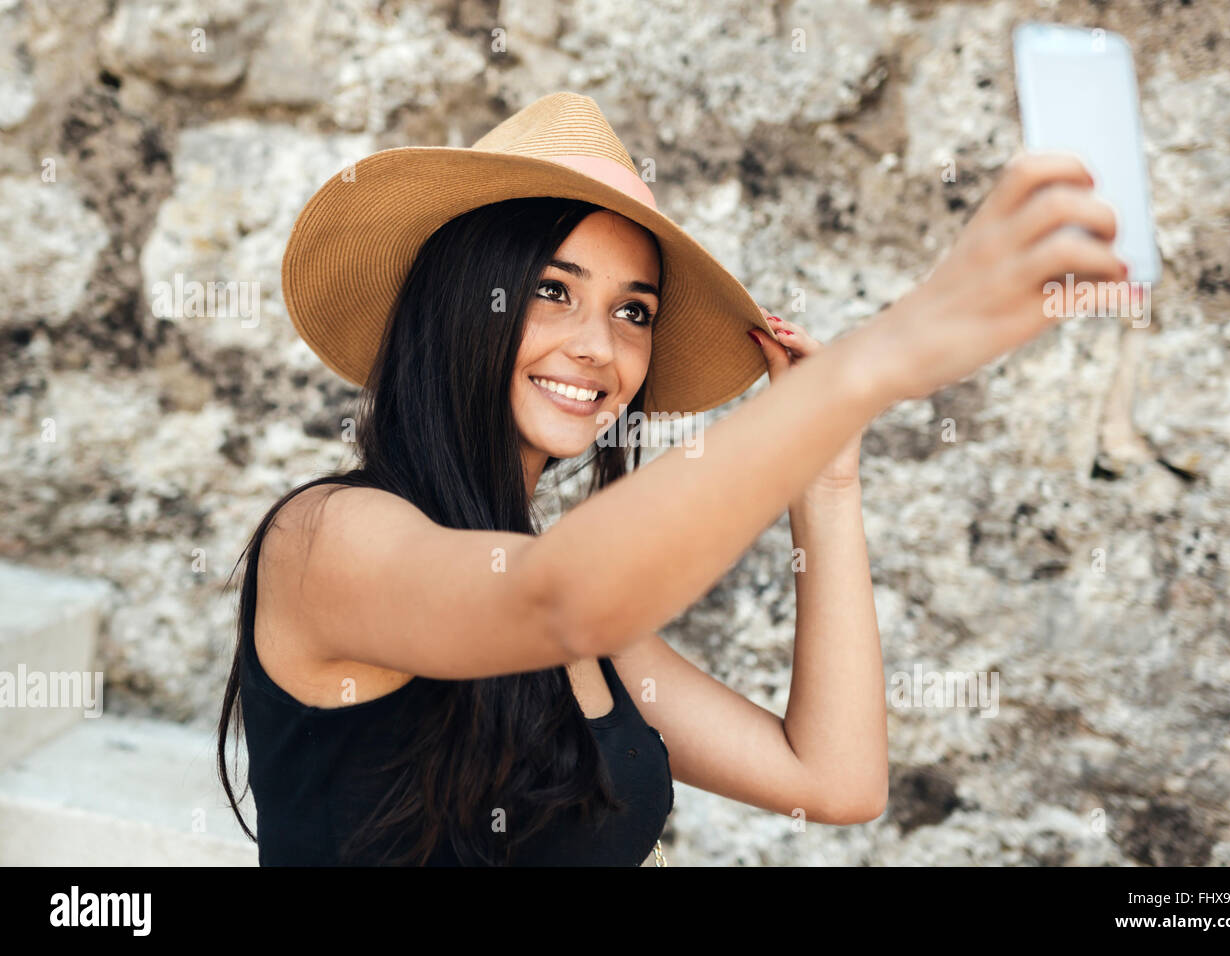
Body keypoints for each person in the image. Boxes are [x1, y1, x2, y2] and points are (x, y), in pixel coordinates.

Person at [216, 92, 1125, 866]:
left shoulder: (595, 638)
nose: (598, 347)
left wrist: (827, 479)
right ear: (462, 301)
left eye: (633, 311)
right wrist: (879, 357)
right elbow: (556, 598)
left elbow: (835, 780)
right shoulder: (328, 536)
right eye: (549, 289)